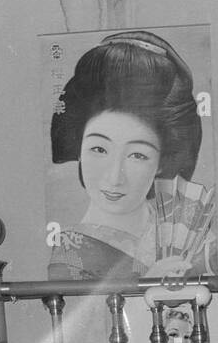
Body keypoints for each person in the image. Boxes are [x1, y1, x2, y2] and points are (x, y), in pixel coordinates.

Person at [48, 30, 209, 280]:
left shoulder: (185, 236)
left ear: (162, 161)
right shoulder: (70, 254)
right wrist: (145, 287)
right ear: (78, 147)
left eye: (137, 155)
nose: (114, 178)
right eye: (99, 149)